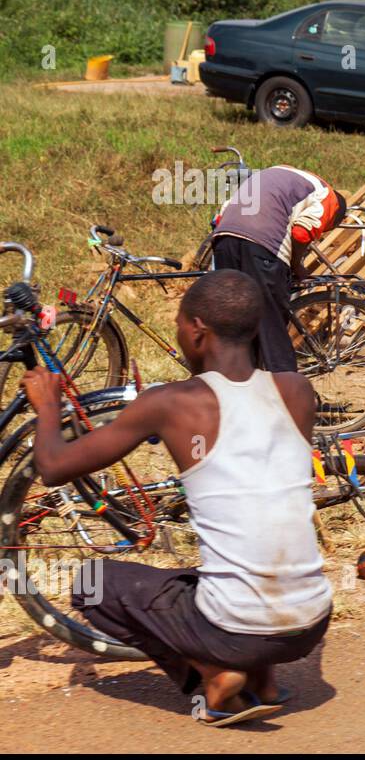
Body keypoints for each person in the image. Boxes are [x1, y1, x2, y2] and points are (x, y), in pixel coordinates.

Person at [22, 271, 333, 728]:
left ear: (197, 331)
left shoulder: (171, 404)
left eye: (178, 324)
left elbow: (53, 466)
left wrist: (48, 406)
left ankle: (214, 674)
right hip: (311, 621)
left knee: (91, 584)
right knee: (215, 569)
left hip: (236, 633)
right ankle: (264, 680)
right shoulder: (296, 391)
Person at [211, 165, 347, 372]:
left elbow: (220, 218)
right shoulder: (327, 196)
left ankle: (235, 389)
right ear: (336, 215)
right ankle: (286, 394)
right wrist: (296, 266)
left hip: (224, 241)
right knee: (270, 325)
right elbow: (302, 233)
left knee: (235, 325)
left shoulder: (277, 174)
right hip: (263, 245)